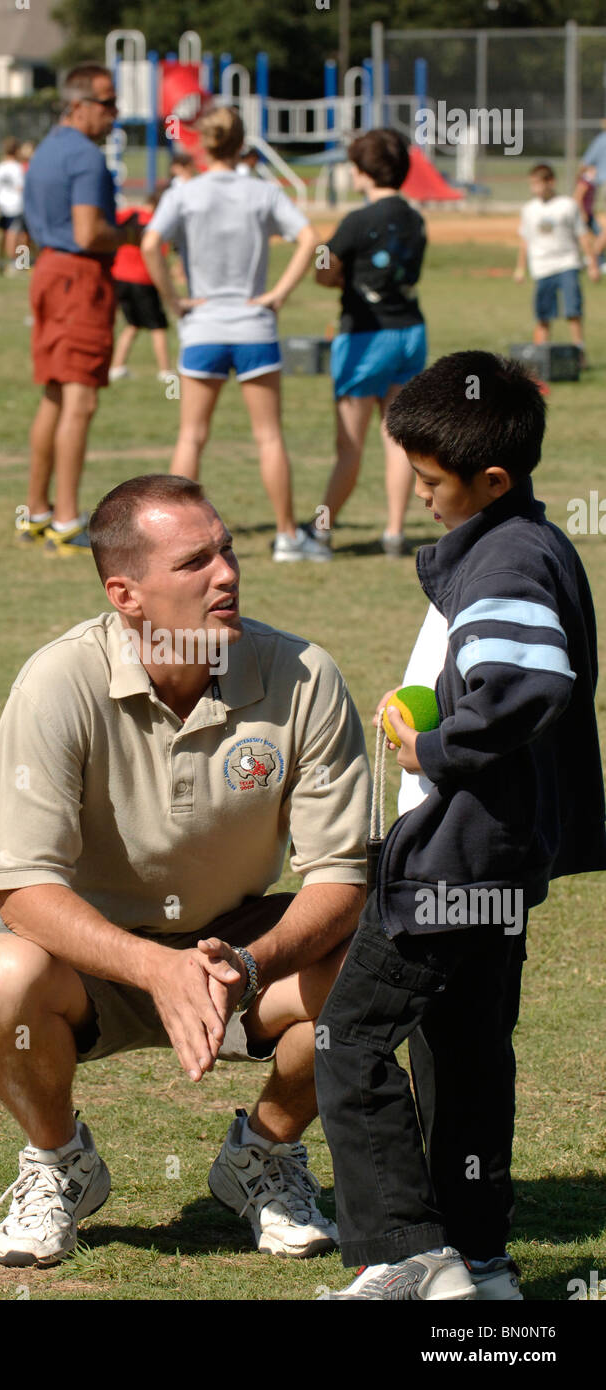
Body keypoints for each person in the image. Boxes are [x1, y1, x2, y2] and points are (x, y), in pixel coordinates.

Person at [0, 474, 371, 1268]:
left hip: (239, 946)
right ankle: (57, 1164)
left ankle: (265, 1155)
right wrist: (156, 968)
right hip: (92, 951)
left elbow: (340, 880)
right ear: (126, 593)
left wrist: (243, 964)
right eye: (193, 563)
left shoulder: (304, 675)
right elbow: (22, 886)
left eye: (228, 550)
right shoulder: (58, 680)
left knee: (374, 972)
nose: (226, 574)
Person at [313, 351, 606, 1300]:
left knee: (349, 1040)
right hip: (496, 863)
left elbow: (527, 683)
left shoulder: (508, 556)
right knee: (464, 1057)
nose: (419, 495)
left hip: (454, 859)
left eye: (431, 482)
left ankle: (405, 1252)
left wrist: (430, 749)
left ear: (491, 479)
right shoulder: (523, 540)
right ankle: (479, 1264)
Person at [142, 108, 323, 562]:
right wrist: (277, 294)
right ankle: (286, 537)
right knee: (269, 437)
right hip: (253, 325)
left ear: (201, 144)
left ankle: (172, 539)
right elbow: (310, 238)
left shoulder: (185, 193)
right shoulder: (262, 191)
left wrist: (175, 301)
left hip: (202, 327)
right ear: (242, 142)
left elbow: (149, 244)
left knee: (191, 436)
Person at [19, 64, 139, 553]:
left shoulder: (45, 150)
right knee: (80, 400)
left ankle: (37, 511)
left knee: (53, 394)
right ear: (79, 104)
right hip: (79, 277)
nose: (115, 114)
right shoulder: (87, 158)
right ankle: (68, 520)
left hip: (49, 270)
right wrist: (130, 233)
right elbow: (90, 232)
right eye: (108, 103)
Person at [314, 128, 428, 561]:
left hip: (364, 337)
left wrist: (331, 268)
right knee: (397, 440)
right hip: (411, 334)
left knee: (349, 445)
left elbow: (322, 265)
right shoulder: (415, 218)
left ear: (361, 171)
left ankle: (321, 532)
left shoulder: (358, 220)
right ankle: (395, 532)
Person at [515, 163, 599, 366]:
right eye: (532, 185)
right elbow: (525, 240)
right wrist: (520, 267)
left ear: (550, 182)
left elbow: (582, 235)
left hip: (567, 263)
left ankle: (579, 354)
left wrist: (592, 263)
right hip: (542, 268)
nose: (535, 189)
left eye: (538, 184)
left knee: (573, 310)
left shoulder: (567, 205)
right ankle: (540, 358)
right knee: (543, 314)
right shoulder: (529, 209)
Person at [109, 192, 171, 384]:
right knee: (158, 327)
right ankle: (165, 371)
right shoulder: (156, 225)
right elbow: (158, 256)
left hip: (119, 276)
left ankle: (117, 367)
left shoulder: (128, 214)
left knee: (132, 324)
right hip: (143, 279)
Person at [0, 137, 27, 275]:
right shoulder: (18, 168)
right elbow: (20, 187)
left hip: (1, 205)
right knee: (16, 234)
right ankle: (16, 263)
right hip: (16, 205)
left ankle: (4, 261)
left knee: (5, 234)